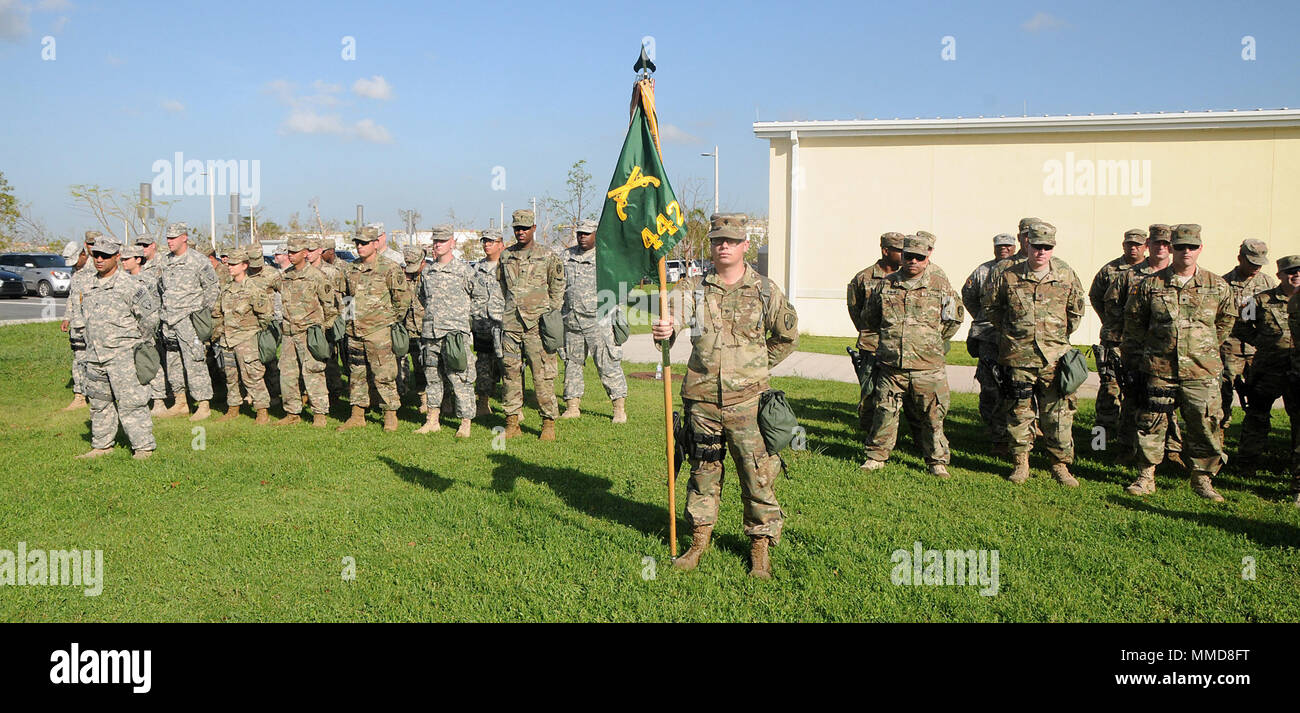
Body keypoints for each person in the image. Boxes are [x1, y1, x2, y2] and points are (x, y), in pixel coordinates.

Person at [652, 213, 799, 580]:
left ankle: (760, 548)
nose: (723, 246)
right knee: (703, 472)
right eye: (718, 240)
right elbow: (669, 334)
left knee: (757, 474)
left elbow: (787, 336)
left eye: (731, 241)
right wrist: (664, 332)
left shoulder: (765, 290)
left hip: (749, 402)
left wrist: (756, 367)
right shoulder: (692, 290)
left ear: (745, 245)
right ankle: (699, 540)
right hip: (702, 401)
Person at [1121, 224, 1236, 500]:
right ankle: (1146, 476)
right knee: (1152, 421)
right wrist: (1136, 362)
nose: (1186, 251)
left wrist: (1204, 348)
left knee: (1205, 423)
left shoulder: (1217, 285)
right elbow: (1134, 325)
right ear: (1171, 248)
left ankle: (1202, 479)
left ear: (1200, 249)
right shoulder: (1150, 284)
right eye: (1180, 246)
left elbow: (1225, 321)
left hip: (1201, 369)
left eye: (1191, 247)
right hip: (1159, 368)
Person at [985, 221, 1086, 487]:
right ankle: (1021, 463)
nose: (1041, 252)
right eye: (1037, 246)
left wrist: (1056, 337)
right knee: (1019, 411)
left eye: (1047, 247)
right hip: (1018, 357)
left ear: (1052, 248)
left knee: (1058, 413)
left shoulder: (1065, 274)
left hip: (1054, 357)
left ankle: (1060, 465)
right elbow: (993, 310)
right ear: (1027, 244)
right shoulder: (1008, 274)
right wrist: (1014, 335)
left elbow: (1075, 312)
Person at [859, 233, 964, 476]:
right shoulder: (886, 284)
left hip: (928, 366)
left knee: (933, 416)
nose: (913, 261)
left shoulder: (940, 284)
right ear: (902, 256)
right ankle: (876, 456)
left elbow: (953, 319)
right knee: (884, 412)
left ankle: (936, 461)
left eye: (919, 257)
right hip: (891, 365)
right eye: (909, 256)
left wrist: (931, 340)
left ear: (928, 258)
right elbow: (871, 318)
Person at [1104, 225, 1185, 464]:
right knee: (1133, 399)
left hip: (1169, 352)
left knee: (1168, 401)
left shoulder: (1179, 276)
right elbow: (1111, 307)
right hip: (1135, 349)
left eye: (1165, 243)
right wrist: (1122, 340)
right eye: (1157, 243)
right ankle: (1127, 448)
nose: (1161, 247)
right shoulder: (1130, 275)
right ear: (1148, 244)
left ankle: (1172, 450)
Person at [75, 236, 160, 460]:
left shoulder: (131, 286)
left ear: (117, 257)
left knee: (132, 403)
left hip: (123, 356)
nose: (99, 259)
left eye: (105, 256)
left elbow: (150, 318)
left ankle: (143, 447)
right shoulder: (88, 284)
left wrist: (136, 344)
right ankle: (102, 445)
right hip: (95, 355)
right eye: (96, 255)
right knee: (99, 404)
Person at [1235, 254, 1298, 502]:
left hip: (1298, 373)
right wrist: (1264, 343)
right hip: (1267, 370)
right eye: (1291, 271)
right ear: (1280, 274)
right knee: (1256, 417)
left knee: (1298, 423)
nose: (1296, 275)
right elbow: (1239, 326)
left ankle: (1292, 469)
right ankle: (1247, 464)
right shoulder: (1260, 301)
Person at [498, 209, 565, 441]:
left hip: (538, 324)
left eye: (525, 228)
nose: (521, 232)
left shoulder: (548, 255)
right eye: (517, 228)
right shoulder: (505, 256)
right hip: (511, 323)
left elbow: (557, 288)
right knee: (510, 373)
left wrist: (549, 315)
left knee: (543, 376)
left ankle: (548, 423)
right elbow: (503, 287)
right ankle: (512, 421)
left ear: (534, 228)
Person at [414, 226, 485, 437]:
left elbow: (480, 297)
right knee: (432, 377)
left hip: (455, 334)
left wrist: (464, 318)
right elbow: (421, 297)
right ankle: (432, 420)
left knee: (460, 378)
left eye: (443, 241)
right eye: (436, 241)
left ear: (452, 243)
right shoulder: (427, 271)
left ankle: (465, 422)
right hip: (431, 334)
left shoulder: (464, 270)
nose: (438, 244)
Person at [338, 225, 410, 432]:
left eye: (364, 243)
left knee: (384, 374)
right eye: (357, 243)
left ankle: (390, 415)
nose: (359, 247)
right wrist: (349, 322)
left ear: (375, 244)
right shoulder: (351, 269)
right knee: (357, 373)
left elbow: (402, 299)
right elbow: (347, 298)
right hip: (355, 332)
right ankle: (357, 414)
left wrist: (388, 322)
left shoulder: (389, 268)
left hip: (379, 331)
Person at [561, 218, 628, 423]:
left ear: (596, 235)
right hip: (572, 320)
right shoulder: (567, 256)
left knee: (607, 363)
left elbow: (620, 286)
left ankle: (618, 408)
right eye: (579, 233)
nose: (582, 237)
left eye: (586, 233)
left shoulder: (606, 257)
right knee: (572, 363)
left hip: (599, 320)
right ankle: (572, 406)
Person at [1089, 228, 1148, 439]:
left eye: (1138, 245)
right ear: (1123, 245)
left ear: (1145, 247)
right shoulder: (1110, 270)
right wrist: (1108, 321)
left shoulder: (1152, 271)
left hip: (1140, 342)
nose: (1133, 248)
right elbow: (1095, 296)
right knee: (1108, 388)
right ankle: (1101, 440)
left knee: (1137, 390)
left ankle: (1130, 436)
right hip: (1113, 340)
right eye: (1129, 244)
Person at [157, 223, 219, 421]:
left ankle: (203, 404)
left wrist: (201, 314)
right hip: (169, 320)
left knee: (195, 362)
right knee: (173, 362)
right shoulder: (165, 262)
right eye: (168, 238)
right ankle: (180, 401)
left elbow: (212, 288)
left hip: (189, 320)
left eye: (173, 238)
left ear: (184, 238)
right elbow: (161, 287)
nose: (169, 241)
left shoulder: (198, 261)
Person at [961, 233, 1017, 449]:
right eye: (999, 246)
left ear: (1015, 247)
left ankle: (1022, 429)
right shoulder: (982, 271)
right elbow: (968, 296)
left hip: (1014, 338)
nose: (1003, 249)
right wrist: (983, 317)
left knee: (1018, 384)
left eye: (1008, 246)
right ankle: (994, 431)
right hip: (988, 336)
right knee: (990, 385)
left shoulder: (1019, 269)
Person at [845, 232, 903, 430]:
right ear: (886, 251)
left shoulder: (906, 277)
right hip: (873, 345)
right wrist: (868, 333)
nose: (904, 255)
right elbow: (855, 309)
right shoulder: (864, 278)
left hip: (900, 345)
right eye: (899, 250)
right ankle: (867, 429)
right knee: (870, 391)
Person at [278, 237, 337, 427]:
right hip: (289, 332)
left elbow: (330, 306)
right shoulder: (285, 276)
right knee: (287, 374)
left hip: (309, 332)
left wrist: (321, 329)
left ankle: (319, 414)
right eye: (289, 252)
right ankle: (292, 412)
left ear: (305, 253)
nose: (290, 255)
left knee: (313, 373)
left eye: (294, 252)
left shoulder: (317, 276)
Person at [1219, 239, 1276, 436]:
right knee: (1223, 394)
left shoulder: (1267, 283)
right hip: (1230, 347)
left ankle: (1254, 442)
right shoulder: (1224, 283)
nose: (1256, 267)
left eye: (1259, 263)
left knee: (1259, 395)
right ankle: (1218, 440)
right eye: (1252, 262)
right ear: (1240, 258)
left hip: (1257, 349)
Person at [211, 247, 274, 424]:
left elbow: (266, 315)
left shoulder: (254, 289)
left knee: (252, 376)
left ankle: (262, 411)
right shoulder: (226, 289)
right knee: (230, 377)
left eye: (234, 264)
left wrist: (253, 331)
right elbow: (218, 313)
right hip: (227, 340)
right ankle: (233, 408)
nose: (230, 267)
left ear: (244, 265)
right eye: (229, 263)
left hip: (246, 339)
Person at [472, 228, 507, 417]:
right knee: (483, 365)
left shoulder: (508, 267)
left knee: (508, 364)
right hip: (482, 325)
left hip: (503, 325)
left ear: (501, 244)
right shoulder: (477, 268)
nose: (487, 244)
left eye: (491, 241)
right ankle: (483, 403)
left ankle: (512, 405)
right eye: (484, 241)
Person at [60, 233, 97, 411]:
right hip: (77, 323)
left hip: (93, 323)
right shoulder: (75, 271)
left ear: (83, 254)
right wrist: (67, 317)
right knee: (79, 359)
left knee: (97, 359)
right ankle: (80, 395)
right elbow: (72, 296)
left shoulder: (96, 267)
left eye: (76, 261)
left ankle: (99, 395)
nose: (74, 265)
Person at [399, 245, 428, 411]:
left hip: (424, 329)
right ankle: (410, 396)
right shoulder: (402, 277)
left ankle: (428, 399)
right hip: (406, 328)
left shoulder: (430, 276)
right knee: (406, 365)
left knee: (424, 365)